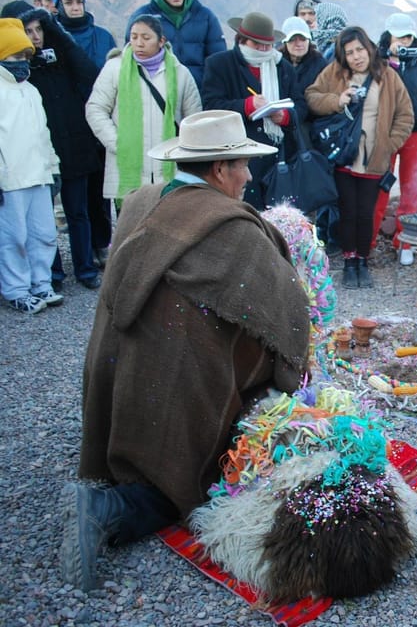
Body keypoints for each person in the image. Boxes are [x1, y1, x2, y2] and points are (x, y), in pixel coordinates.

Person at [59, 109, 311, 593]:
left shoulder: (141, 199)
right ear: (218, 169)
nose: (248, 177)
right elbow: (287, 315)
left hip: (116, 377)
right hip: (168, 387)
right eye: (242, 165)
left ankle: (116, 461)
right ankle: (110, 510)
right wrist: (281, 374)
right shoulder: (234, 230)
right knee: (200, 474)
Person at [1, 1, 102, 290]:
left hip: (75, 145)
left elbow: (90, 75)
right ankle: (52, 274)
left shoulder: (60, 56)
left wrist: (57, 31)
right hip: (40, 155)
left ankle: (85, 269)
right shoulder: (18, 73)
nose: (36, 37)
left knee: (78, 212)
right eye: (28, 31)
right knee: (40, 221)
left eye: (39, 29)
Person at [306, 26, 413, 289]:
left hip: (374, 157)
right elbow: (312, 97)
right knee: (347, 211)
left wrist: (389, 145)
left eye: (360, 49)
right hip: (344, 155)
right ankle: (349, 261)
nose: (356, 56)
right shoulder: (335, 73)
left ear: (369, 48)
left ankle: (362, 261)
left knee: (366, 213)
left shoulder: (388, 76)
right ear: (343, 55)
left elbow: (405, 115)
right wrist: (337, 99)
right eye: (349, 52)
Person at [86, 13, 202, 213]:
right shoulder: (115, 69)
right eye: (134, 37)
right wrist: (117, 143)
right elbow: (95, 108)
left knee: (168, 225)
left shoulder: (180, 72)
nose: (139, 43)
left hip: (169, 166)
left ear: (161, 41)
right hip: (127, 164)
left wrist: (181, 150)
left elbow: (193, 119)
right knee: (131, 225)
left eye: (146, 38)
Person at [202, 12, 306, 210]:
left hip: (276, 160)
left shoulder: (283, 67)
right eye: (257, 44)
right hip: (236, 156)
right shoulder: (220, 64)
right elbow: (210, 106)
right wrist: (246, 106)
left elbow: (300, 106)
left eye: (267, 45)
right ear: (242, 40)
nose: (263, 49)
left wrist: (284, 116)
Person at [0, 17, 62, 314]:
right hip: (10, 180)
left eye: (25, 56)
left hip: (39, 174)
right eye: (15, 57)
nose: (22, 62)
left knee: (44, 233)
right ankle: (17, 289)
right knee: (14, 238)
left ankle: (41, 282)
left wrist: (53, 167)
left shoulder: (32, 91)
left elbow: (43, 135)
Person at [54, 0, 117, 270]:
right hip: (71, 120)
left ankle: (102, 242)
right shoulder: (54, 39)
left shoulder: (102, 37)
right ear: (59, 5)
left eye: (78, 1)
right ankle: (84, 248)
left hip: (102, 118)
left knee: (101, 187)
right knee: (77, 191)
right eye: (69, 2)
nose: (75, 7)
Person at [370, 12, 417, 266]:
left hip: (414, 133)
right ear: (388, 37)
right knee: (378, 187)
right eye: (398, 37)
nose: (403, 42)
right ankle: (368, 242)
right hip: (384, 134)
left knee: (411, 189)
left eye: (408, 37)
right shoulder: (376, 63)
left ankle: (405, 242)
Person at [128, 0, 226, 87]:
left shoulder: (205, 17)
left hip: (198, 91)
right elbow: (130, 61)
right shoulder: (141, 18)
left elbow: (218, 63)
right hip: (157, 91)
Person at [279, 16, 327, 100]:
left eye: (303, 39)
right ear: (285, 42)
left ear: (309, 40)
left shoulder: (320, 64)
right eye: (292, 39)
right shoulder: (277, 64)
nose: (298, 44)